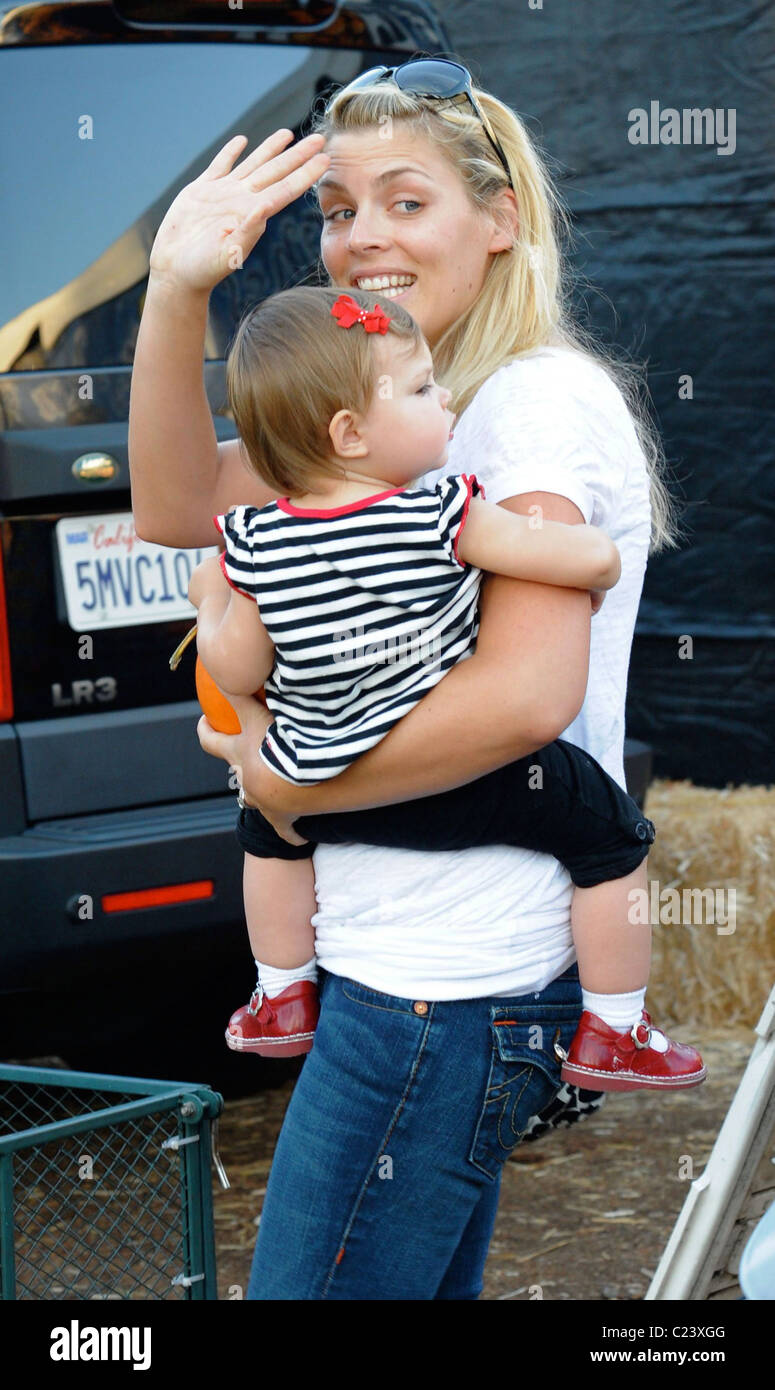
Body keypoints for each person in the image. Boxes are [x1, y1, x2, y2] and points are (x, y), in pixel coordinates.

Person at [128, 57, 691, 1299]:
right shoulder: (379, 416)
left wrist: (289, 794)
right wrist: (175, 289)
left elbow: (524, 701)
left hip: (446, 990)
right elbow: (171, 501)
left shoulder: (529, 405)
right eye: (334, 210)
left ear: (499, 220)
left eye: (405, 200)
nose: (359, 239)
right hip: (413, 981)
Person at [185, 279, 704, 1099]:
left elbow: (241, 671)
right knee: (608, 831)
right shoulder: (441, 513)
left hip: (315, 788)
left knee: (265, 829)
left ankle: (281, 992)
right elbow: (575, 556)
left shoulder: (252, 541)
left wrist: (213, 602)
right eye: (423, 389)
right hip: (454, 780)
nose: (448, 395)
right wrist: (602, 562)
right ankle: (616, 1027)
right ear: (350, 432)